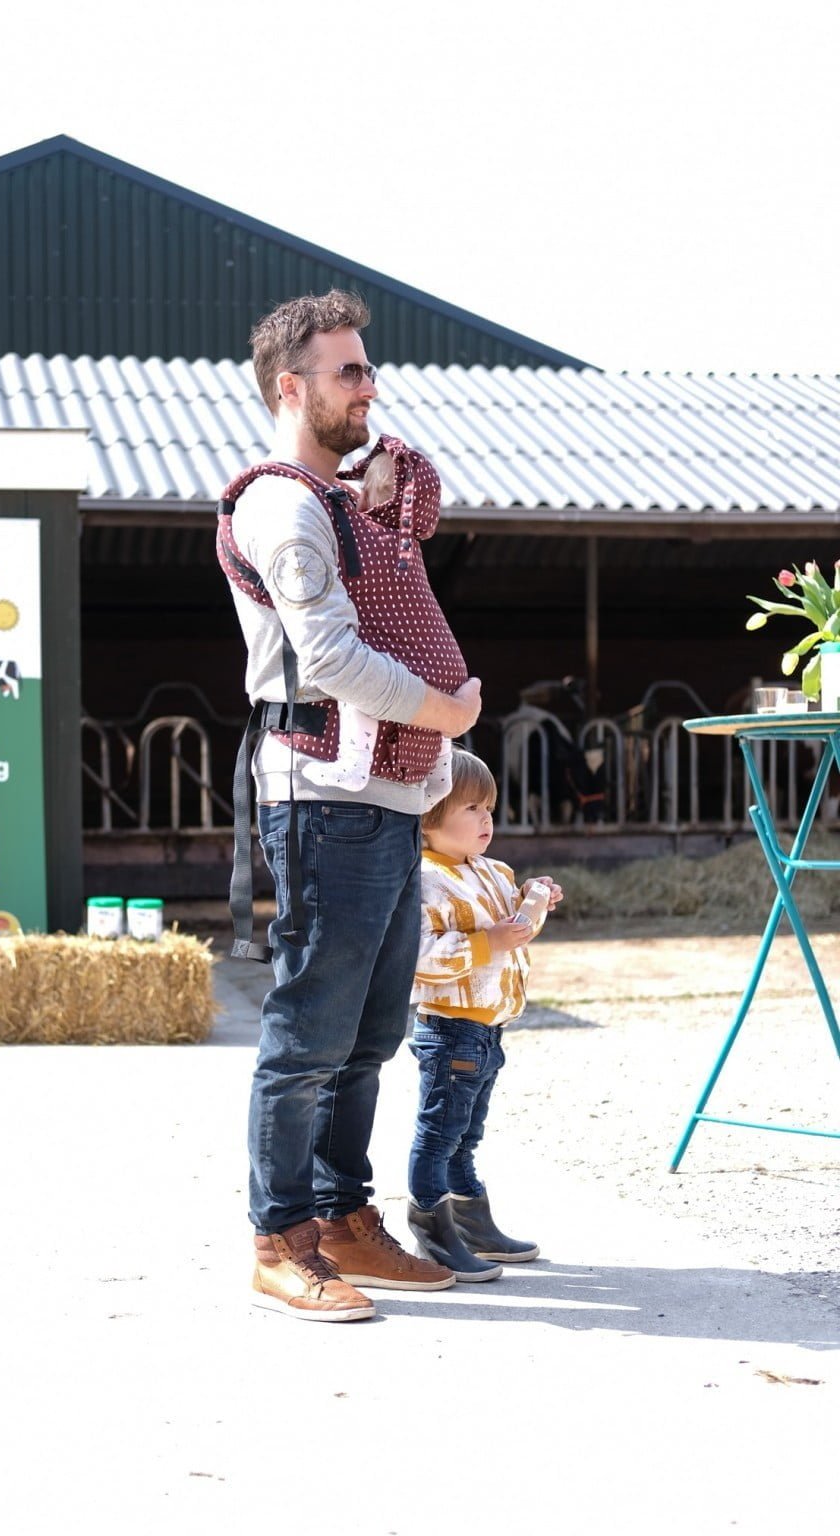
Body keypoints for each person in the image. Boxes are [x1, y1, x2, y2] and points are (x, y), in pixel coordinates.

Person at [216, 289, 482, 1322]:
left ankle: (341, 1219)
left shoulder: (342, 502)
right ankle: (278, 1237)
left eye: (368, 369)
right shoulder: (282, 505)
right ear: (291, 387)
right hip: (321, 791)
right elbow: (325, 658)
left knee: (369, 1031)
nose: (368, 387)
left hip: (379, 794)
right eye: (347, 371)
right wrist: (443, 712)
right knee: (310, 1032)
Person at [405, 747, 563, 1280]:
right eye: (471, 808)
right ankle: (431, 1226)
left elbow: (510, 935)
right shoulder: (425, 880)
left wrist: (532, 903)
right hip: (449, 1030)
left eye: (489, 807)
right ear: (428, 817)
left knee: (466, 1135)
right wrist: (487, 940)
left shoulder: (493, 872)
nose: (486, 819)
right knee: (440, 1134)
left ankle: (472, 1223)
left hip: (489, 1031)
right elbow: (420, 959)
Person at [301, 442, 453, 806]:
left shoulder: (370, 537)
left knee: (362, 683)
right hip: (447, 666)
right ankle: (442, 773)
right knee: (439, 719)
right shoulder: (409, 542)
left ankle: (354, 762)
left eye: (366, 490)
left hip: (404, 661)